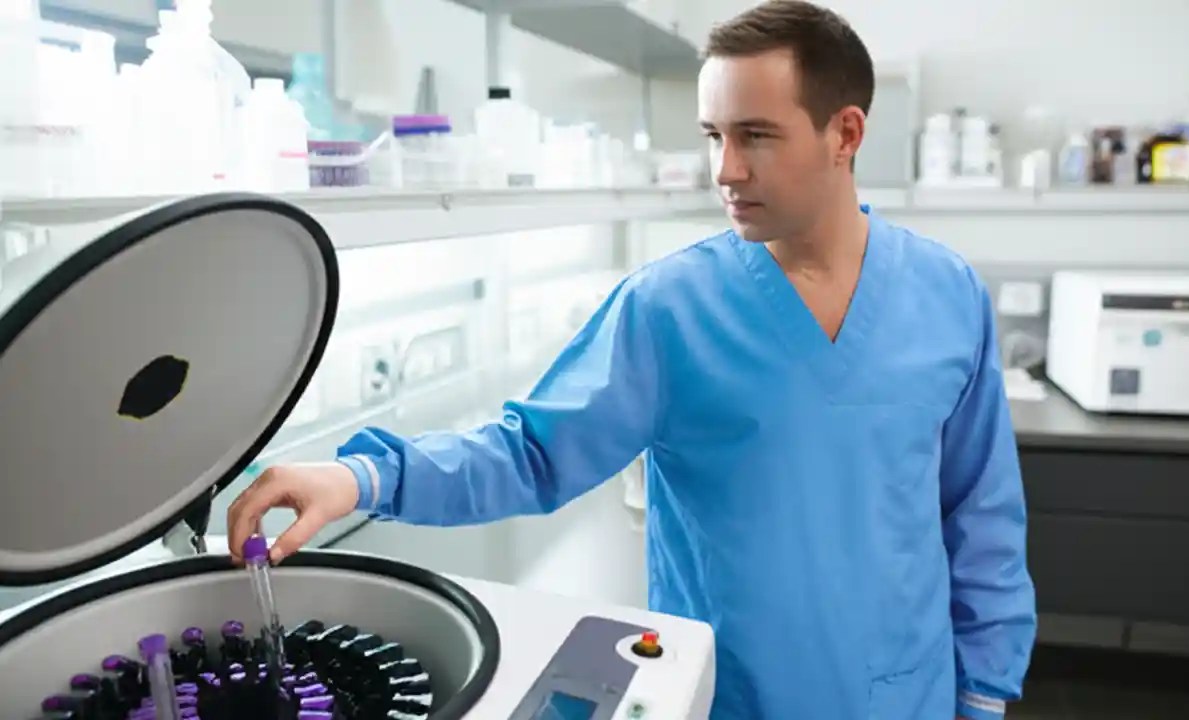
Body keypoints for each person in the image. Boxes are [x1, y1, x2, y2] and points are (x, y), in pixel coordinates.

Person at [227, 1, 1037, 717]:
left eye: (756, 136)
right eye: (715, 136)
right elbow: (530, 453)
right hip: (728, 695)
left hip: (907, 694)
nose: (726, 169)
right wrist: (361, 479)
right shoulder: (670, 309)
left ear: (846, 134)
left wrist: (983, 692)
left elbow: (981, 513)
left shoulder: (946, 295)